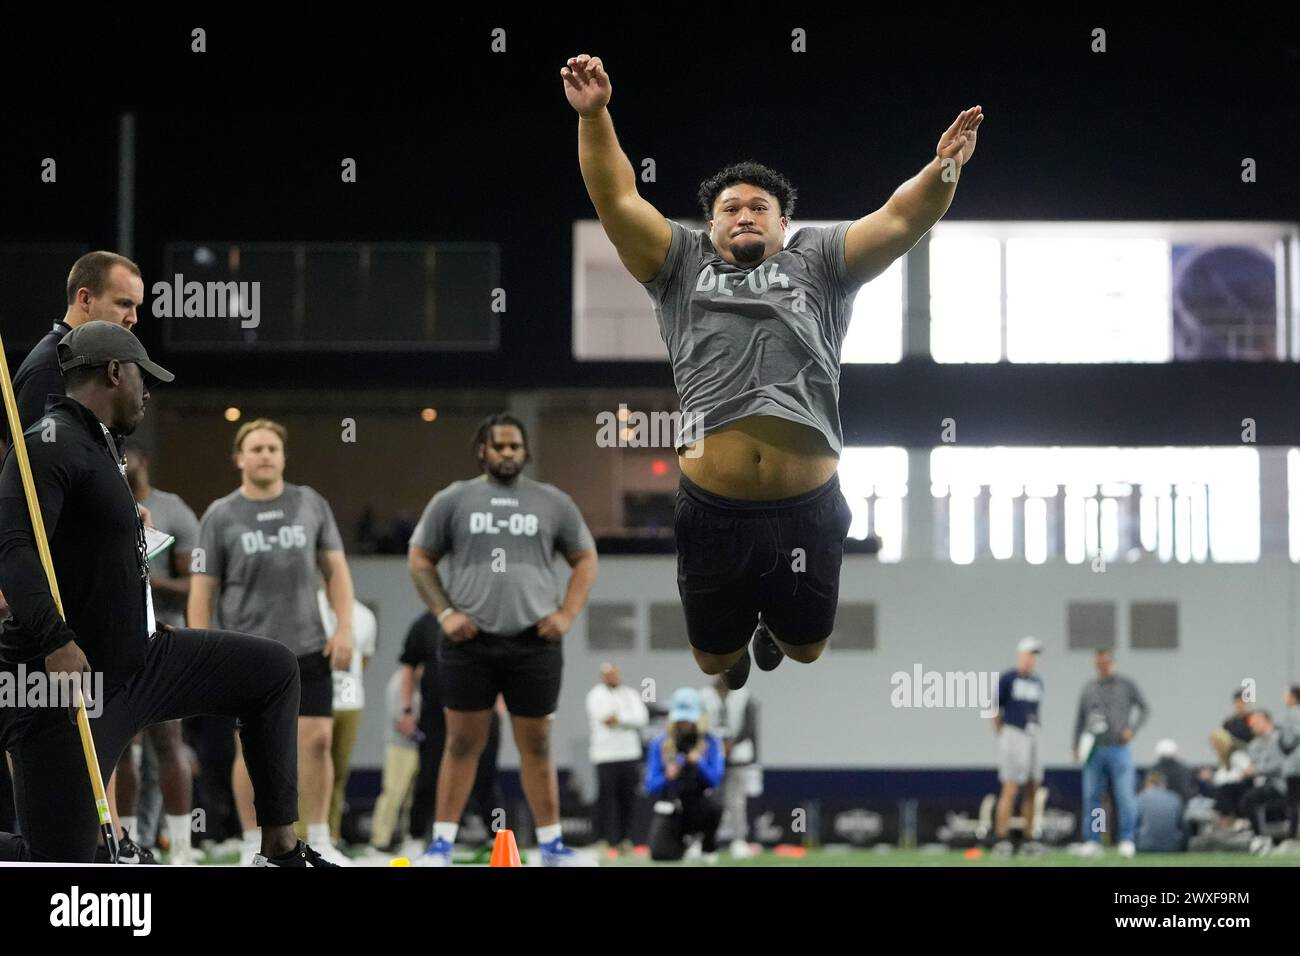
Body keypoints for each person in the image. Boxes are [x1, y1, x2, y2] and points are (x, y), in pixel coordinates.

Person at [562, 52, 983, 689]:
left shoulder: (820, 260)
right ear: (710, 225)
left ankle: (771, 631)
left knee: (807, 649)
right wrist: (596, 116)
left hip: (806, 505)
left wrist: (944, 166)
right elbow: (617, 199)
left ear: (785, 224)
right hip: (714, 509)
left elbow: (899, 219)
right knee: (711, 661)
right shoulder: (679, 263)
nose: (745, 215)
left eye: (760, 207)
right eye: (731, 209)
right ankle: (736, 647)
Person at [0, 323, 333, 864]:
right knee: (63, 859)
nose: (148, 392)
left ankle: (280, 845)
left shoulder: (105, 448)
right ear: (113, 371)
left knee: (272, 671)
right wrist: (55, 640)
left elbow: (102, 561)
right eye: (142, 378)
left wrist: (143, 619)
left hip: (144, 660)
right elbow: (15, 552)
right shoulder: (46, 446)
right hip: (70, 683)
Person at [5, 250, 148, 858]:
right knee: (55, 734)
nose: (135, 318)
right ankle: (89, 843)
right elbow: (40, 492)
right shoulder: (52, 369)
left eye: (139, 307)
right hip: (49, 598)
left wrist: (119, 514)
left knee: (90, 721)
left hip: (77, 594)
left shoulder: (94, 362)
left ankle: (98, 839)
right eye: (124, 304)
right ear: (85, 299)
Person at [408, 414, 598, 866]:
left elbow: (586, 559)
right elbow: (419, 559)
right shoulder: (453, 499)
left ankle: (552, 847)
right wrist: (446, 613)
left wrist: (567, 614)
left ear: (526, 451)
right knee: (460, 743)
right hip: (469, 643)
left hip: (534, 642)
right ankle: (440, 846)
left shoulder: (552, 502)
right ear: (482, 450)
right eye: (500, 446)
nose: (508, 453)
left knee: (537, 744)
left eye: (515, 446)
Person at [188, 418, 356, 866]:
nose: (265, 455)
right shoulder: (220, 515)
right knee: (254, 746)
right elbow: (202, 589)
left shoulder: (310, 504)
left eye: (272, 449)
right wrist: (201, 650)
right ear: (239, 458)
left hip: (308, 644)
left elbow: (336, 570)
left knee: (317, 740)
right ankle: (251, 841)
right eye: (256, 448)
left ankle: (319, 836)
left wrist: (345, 628)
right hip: (249, 652)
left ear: (283, 457)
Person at [111, 446, 201, 864]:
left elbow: (193, 584)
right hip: (115, 639)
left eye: (130, 459)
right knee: (121, 744)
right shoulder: (103, 498)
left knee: (169, 742)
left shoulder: (173, 509)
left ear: (144, 461)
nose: (124, 466)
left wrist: (147, 579)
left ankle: (181, 846)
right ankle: (122, 841)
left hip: (162, 636)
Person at [1073, 648, 1149, 858]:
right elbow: (1080, 719)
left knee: (1125, 795)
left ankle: (1127, 838)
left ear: (1112, 663)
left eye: (1105, 663)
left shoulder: (1126, 685)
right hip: (1094, 749)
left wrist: (1131, 730)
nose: (1102, 667)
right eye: (1098, 664)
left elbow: (1144, 708)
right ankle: (1093, 839)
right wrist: (1075, 746)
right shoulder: (1089, 688)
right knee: (1093, 797)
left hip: (1119, 748)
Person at [320, 591, 377, 845]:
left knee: (339, 771)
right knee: (308, 767)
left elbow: (363, 659)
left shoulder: (364, 616)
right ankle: (300, 834)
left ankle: (331, 834)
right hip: (314, 699)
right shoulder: (313, 607)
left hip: (350, 701)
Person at [645, 688, 725, 862]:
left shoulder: (711, 742)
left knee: (715, 806)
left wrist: (699, 763)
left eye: (689, 720)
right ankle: (686, 844)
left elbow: (715, 780)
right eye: (680, 720)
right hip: (672, 806)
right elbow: (651, 785)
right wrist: (668, 775)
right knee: (660, 854)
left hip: (699, 804)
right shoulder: (660, 743)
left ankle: (707, 846)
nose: (685, 725)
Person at [585, 662, 649, 855]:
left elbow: (642, 718)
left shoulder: (630, 694)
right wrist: (626, 719)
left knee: (628, 799)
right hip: (605, 756)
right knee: (606, 799)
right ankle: (603, 839)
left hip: (629, 754)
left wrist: (620, 719)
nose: (613, 677)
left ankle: (625, 839)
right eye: (609, 674)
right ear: (603, 676)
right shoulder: (595, 695)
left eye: (615, 673)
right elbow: (606, 719)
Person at [991, 637, 1044, 855]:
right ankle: (1001, 838)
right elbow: (993, 707)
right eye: (1029, 654)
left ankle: (1028, 839)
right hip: (1013, 733)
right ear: (1021, 655)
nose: (1032, 659)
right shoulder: (1008, 679)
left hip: (1032, 733)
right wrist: (1002, 732)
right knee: (1010, 787)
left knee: (1032, 787)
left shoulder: (1037, 682)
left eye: (1035, 655)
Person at [700, 674, 760, 858]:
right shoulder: (702, 696)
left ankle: (739, 840)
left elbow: (751, 727)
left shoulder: (745, 696)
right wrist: (716, 743)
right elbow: (700, 724)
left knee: (737, 801)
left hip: (739, 755)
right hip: (710, 755)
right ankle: (704, 840)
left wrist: (731, 743)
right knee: (708, 800)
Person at [1239, 710, 1289, 838]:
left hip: (1280, 784)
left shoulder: (1280, 739)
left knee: (1249, 799)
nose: (1252, 725)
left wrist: (1255, 770)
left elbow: (1279, 765)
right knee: (1231, 789)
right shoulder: (1255, 744)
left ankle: (1260, 836)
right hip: (1260, 782)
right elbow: (1253, 761)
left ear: (1265, 721)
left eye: (1255, 722)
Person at [1134, 770, 1186, 853]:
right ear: (1164, 783)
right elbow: (1182, 826)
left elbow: (1134, 824)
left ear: (1147, 783)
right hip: (1172, 847)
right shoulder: (1175, 798)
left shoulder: (1141, 797)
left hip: (1144, 846)